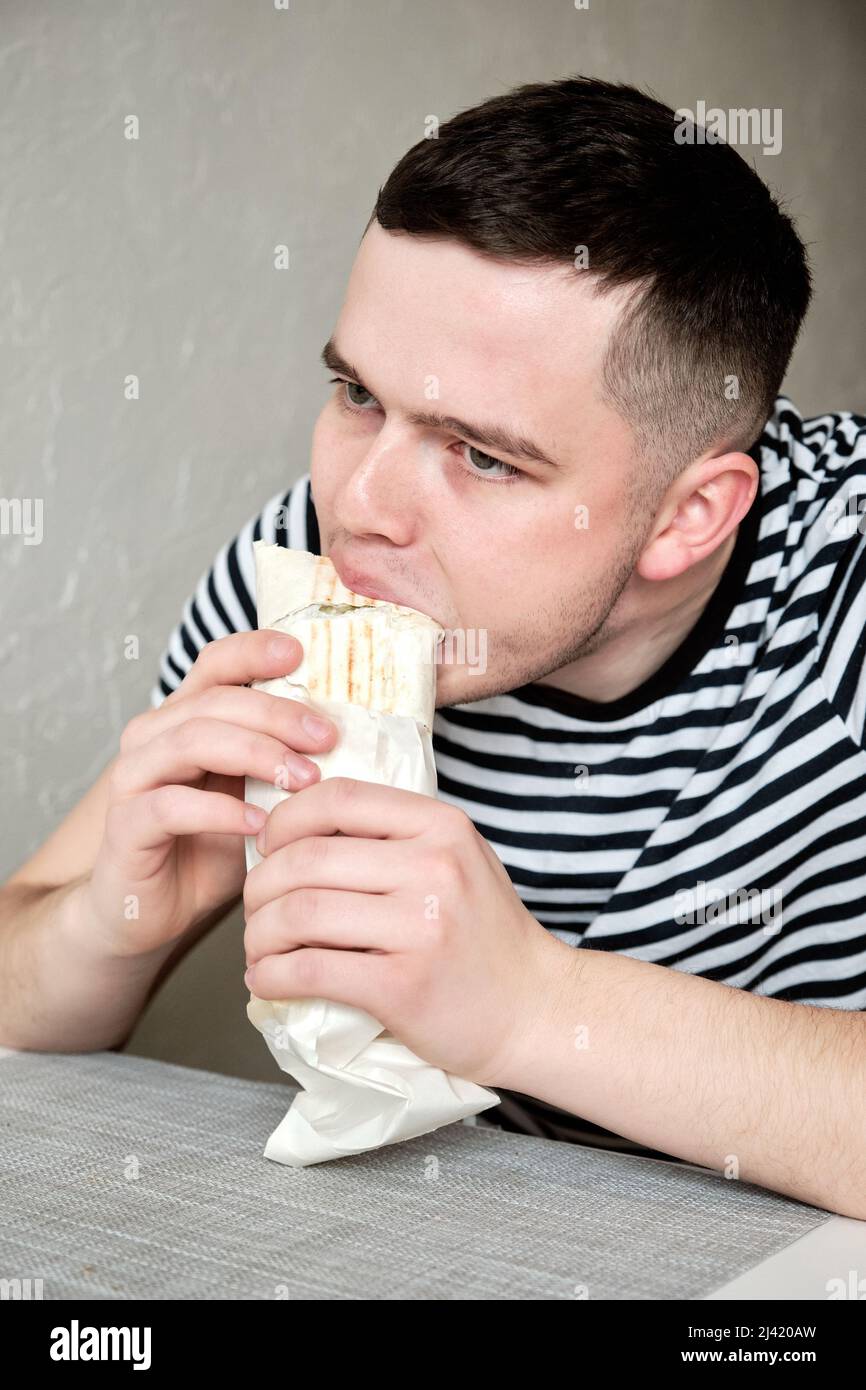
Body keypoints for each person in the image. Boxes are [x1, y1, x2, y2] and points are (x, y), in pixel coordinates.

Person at [4, 76, 865, 1217]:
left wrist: (523, 1003)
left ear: (688, 515)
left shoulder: (841, 594)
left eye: (483, 456)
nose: (360, 505)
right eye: (356, 393)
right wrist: (113, 922)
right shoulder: (298, 562)